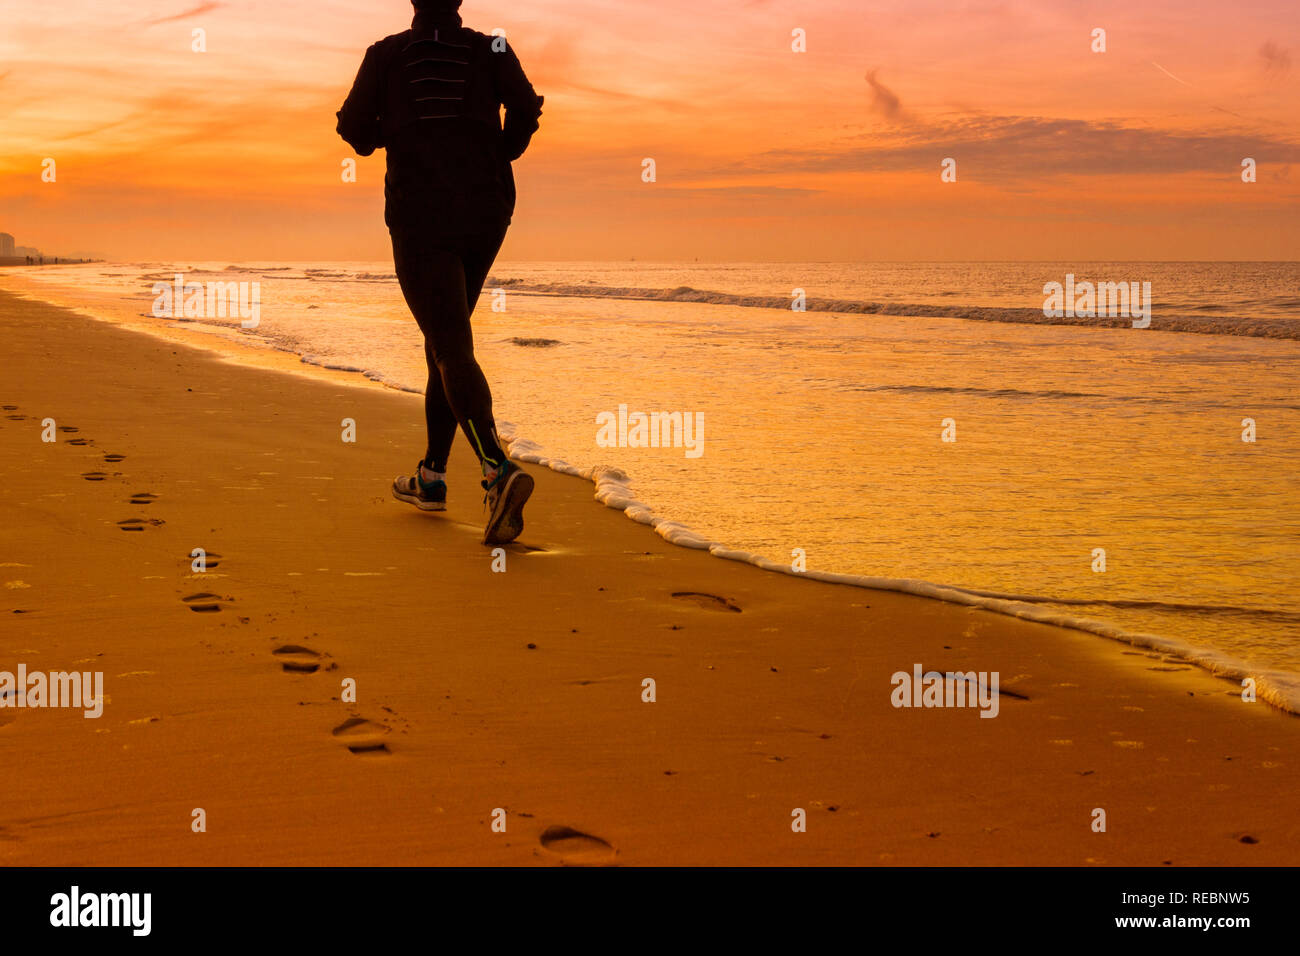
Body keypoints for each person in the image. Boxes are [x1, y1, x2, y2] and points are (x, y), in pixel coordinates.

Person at [337, 0, 542, 545]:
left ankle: (497, 469)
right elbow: (525, 108)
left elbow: (354, 129)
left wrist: (398, 131)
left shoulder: (385, 55)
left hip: (420, 211)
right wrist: (499, 151)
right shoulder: (491, 46)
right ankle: (431, 478)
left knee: (450, 343)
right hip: (487, 207)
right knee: (447, 337)